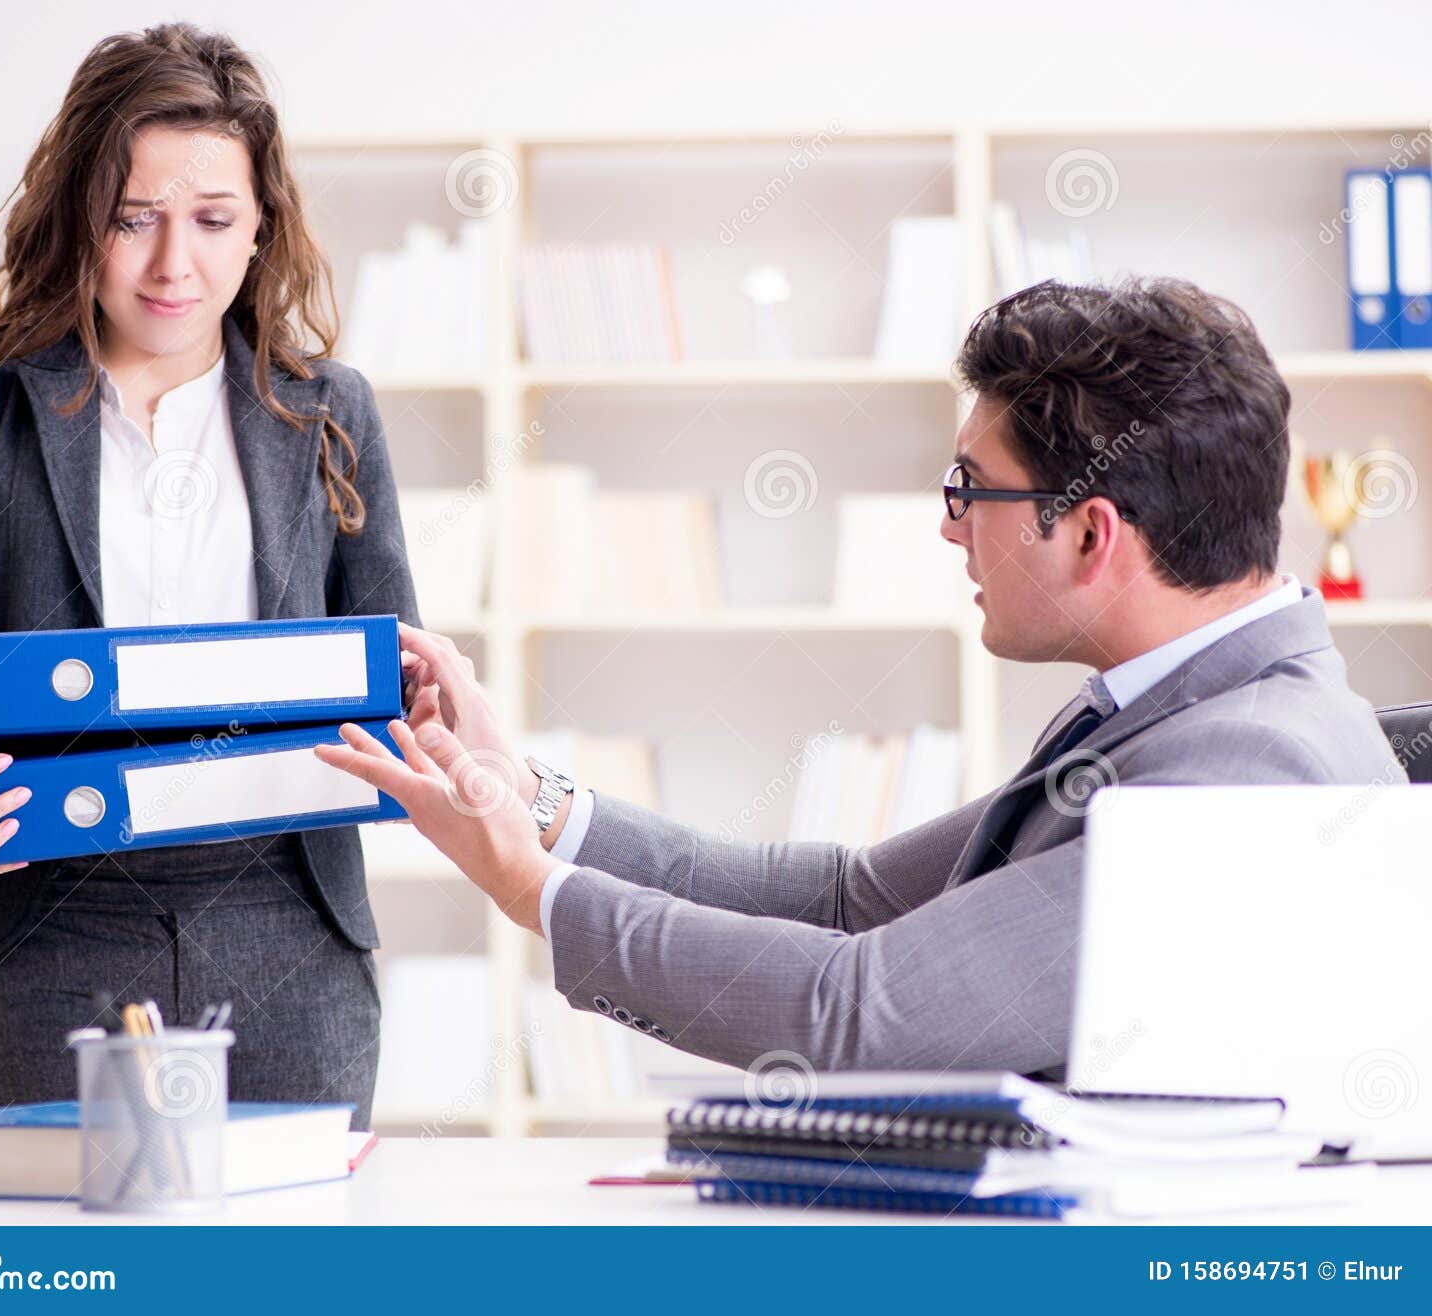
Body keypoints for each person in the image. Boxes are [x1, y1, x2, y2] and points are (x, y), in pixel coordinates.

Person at [316, 277, 1404, 1080]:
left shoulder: (1240, 764)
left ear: (1089, 534)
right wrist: (532, 797)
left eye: (968, 490)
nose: (944, 526)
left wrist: (523, 884)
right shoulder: (1185, 704)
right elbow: (850, 899)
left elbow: (852, 1010)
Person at [0, 23, 417, 1129]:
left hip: (287, 926)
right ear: (81, 216)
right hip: (45, 925)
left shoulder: (330, 409)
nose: (176, 264)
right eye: (134, 219)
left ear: (263, 224)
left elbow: (388, 671)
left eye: (214, 220)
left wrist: (429, 709)